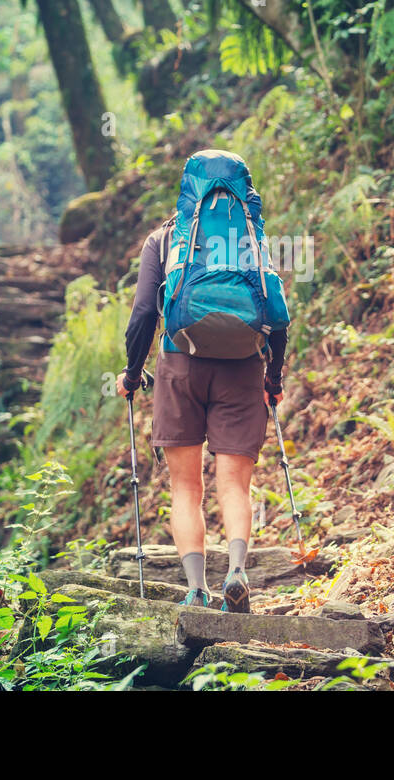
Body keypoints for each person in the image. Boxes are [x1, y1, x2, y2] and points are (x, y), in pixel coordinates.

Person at [116, 154, 287, 614]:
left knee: (186, 488)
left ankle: (196, 589)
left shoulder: (164, 238)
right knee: (235, 484)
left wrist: (133, 374)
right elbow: (275, 311)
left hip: (179, 365)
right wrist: (274, 378)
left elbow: (144, 316)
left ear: (187, 190)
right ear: (240, 190)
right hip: (243, 367)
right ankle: (235, 570)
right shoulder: (249, 235)